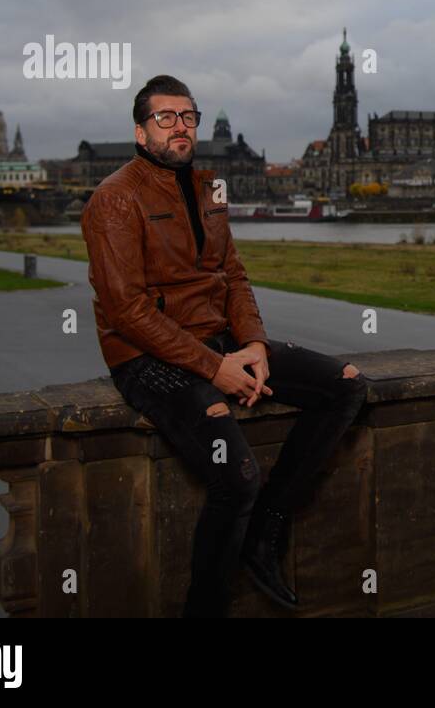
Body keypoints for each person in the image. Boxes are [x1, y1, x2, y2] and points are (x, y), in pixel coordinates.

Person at [80, 74, 370, 617]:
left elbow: (232, 275)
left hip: (219, 343)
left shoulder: (211, 187)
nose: (180, 126)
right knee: (236, 477)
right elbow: (127, 312)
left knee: (347, 386)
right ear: (141, 133)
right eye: (165, 118)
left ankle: (266, 531)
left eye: (188, 116)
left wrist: (253, 343)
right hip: (146, 358)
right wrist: (215, 367)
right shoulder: (114, 199)